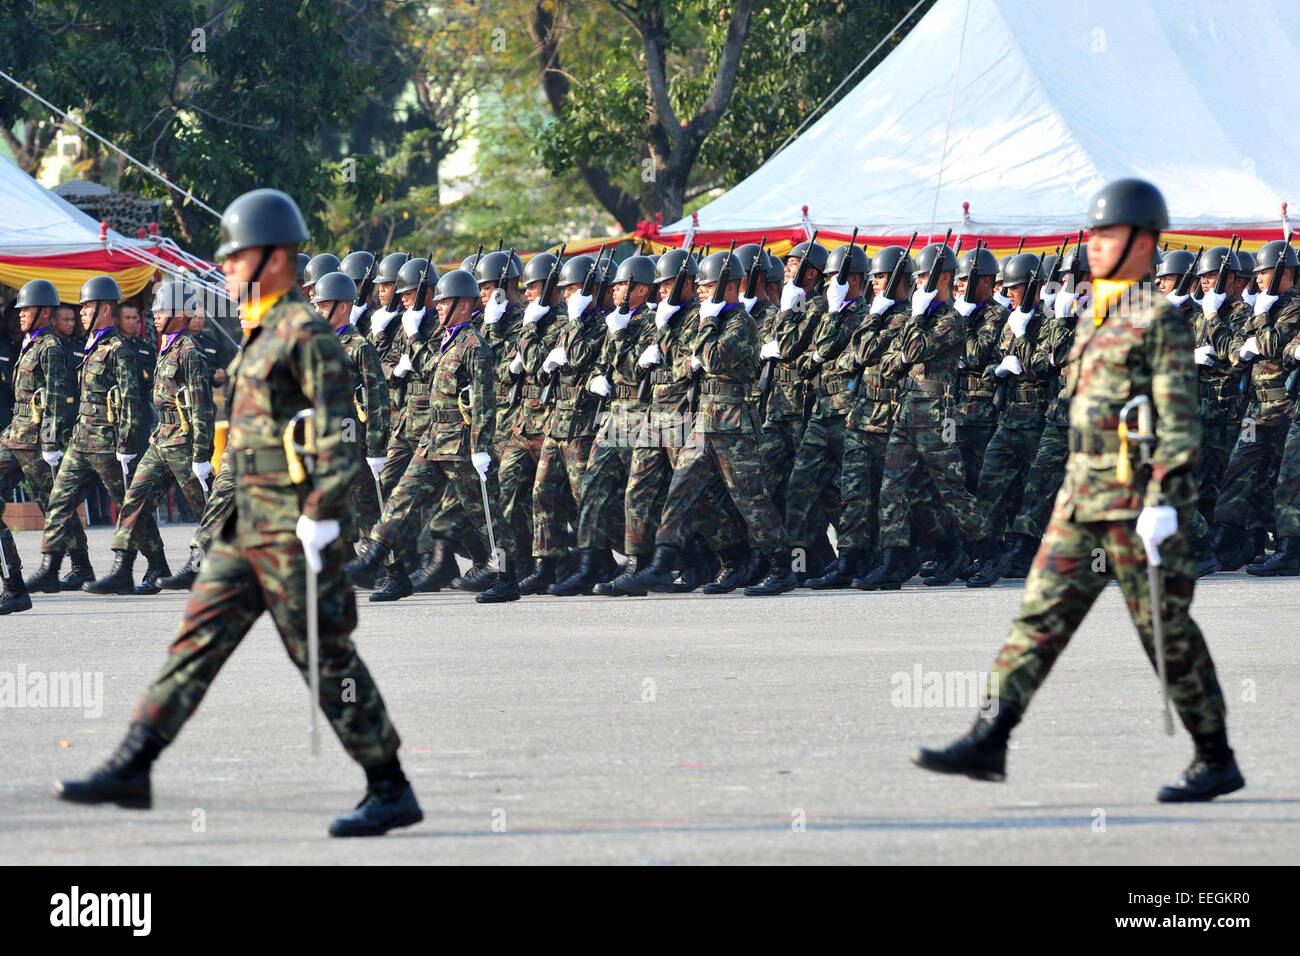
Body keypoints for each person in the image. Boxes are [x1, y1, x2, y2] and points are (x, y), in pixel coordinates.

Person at [55, 188, 422, 836]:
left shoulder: (307, 336)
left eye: (235, 257)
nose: (225, 269)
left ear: (274, 258)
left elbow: (338, 440)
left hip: (290, 527)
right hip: (245, 524)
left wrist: (320, 518)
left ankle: (390, 786)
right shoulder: (261, 332)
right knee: (194, 640)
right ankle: (135, 761)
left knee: (325, 659)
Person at [913, 178, 1244, 803]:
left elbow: (1178, 421)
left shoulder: (1159, 320)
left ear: (1144, 244)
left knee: (1165, 633)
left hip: (1135, 500)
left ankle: (1215, 755)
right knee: (1038, 616)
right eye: (1093, 236)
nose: (1095, 247)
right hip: (1081, 497)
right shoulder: (1099, 317)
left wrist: (1165, 503)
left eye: (1109, 236)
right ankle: (990, 736)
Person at [345, 269, 520, 604]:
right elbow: (422, 369)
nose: (438, 307)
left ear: (464, 305)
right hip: (432, 439)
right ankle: (379, 559)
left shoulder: (474, 346)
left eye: (445, 302)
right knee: (400, 498)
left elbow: (484, 401)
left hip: (460, 444)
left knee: (484, 513)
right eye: (437, 302)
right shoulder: (443, 341)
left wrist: (481, 448)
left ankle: (506, 577)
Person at [25, 276, 156, 593]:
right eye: (81, 308)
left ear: (105, 309)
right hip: (81, 441)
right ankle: (53, 566)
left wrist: (126, 446)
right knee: (59, 500)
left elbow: (129, 401)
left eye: (87, 307)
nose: (81, 313)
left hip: (108, 444)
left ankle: (156, 563)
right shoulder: (90, 346)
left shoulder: (118, 350)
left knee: (128, 506)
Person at [84, 281, 214, 595]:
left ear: (182, 313)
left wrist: (202, 455)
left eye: (162, 310)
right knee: (134, 499)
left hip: (183, 443)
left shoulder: (190, 351)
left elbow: (202, 407)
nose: (155, 315)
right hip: (160, 441)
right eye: (154, 310)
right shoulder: (167, 346)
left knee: (209, 511)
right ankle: (123, 568)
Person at [0, 280, 76, 614]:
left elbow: (55, 401)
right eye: (19, 310)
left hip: (35, 444)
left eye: (26, 310)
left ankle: (80, 564)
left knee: (55, 508)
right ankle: (14, 585)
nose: (20, 316)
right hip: (14, 436)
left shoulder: (50, 347)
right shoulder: (29, 345)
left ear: (44, 312)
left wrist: (50, 442)